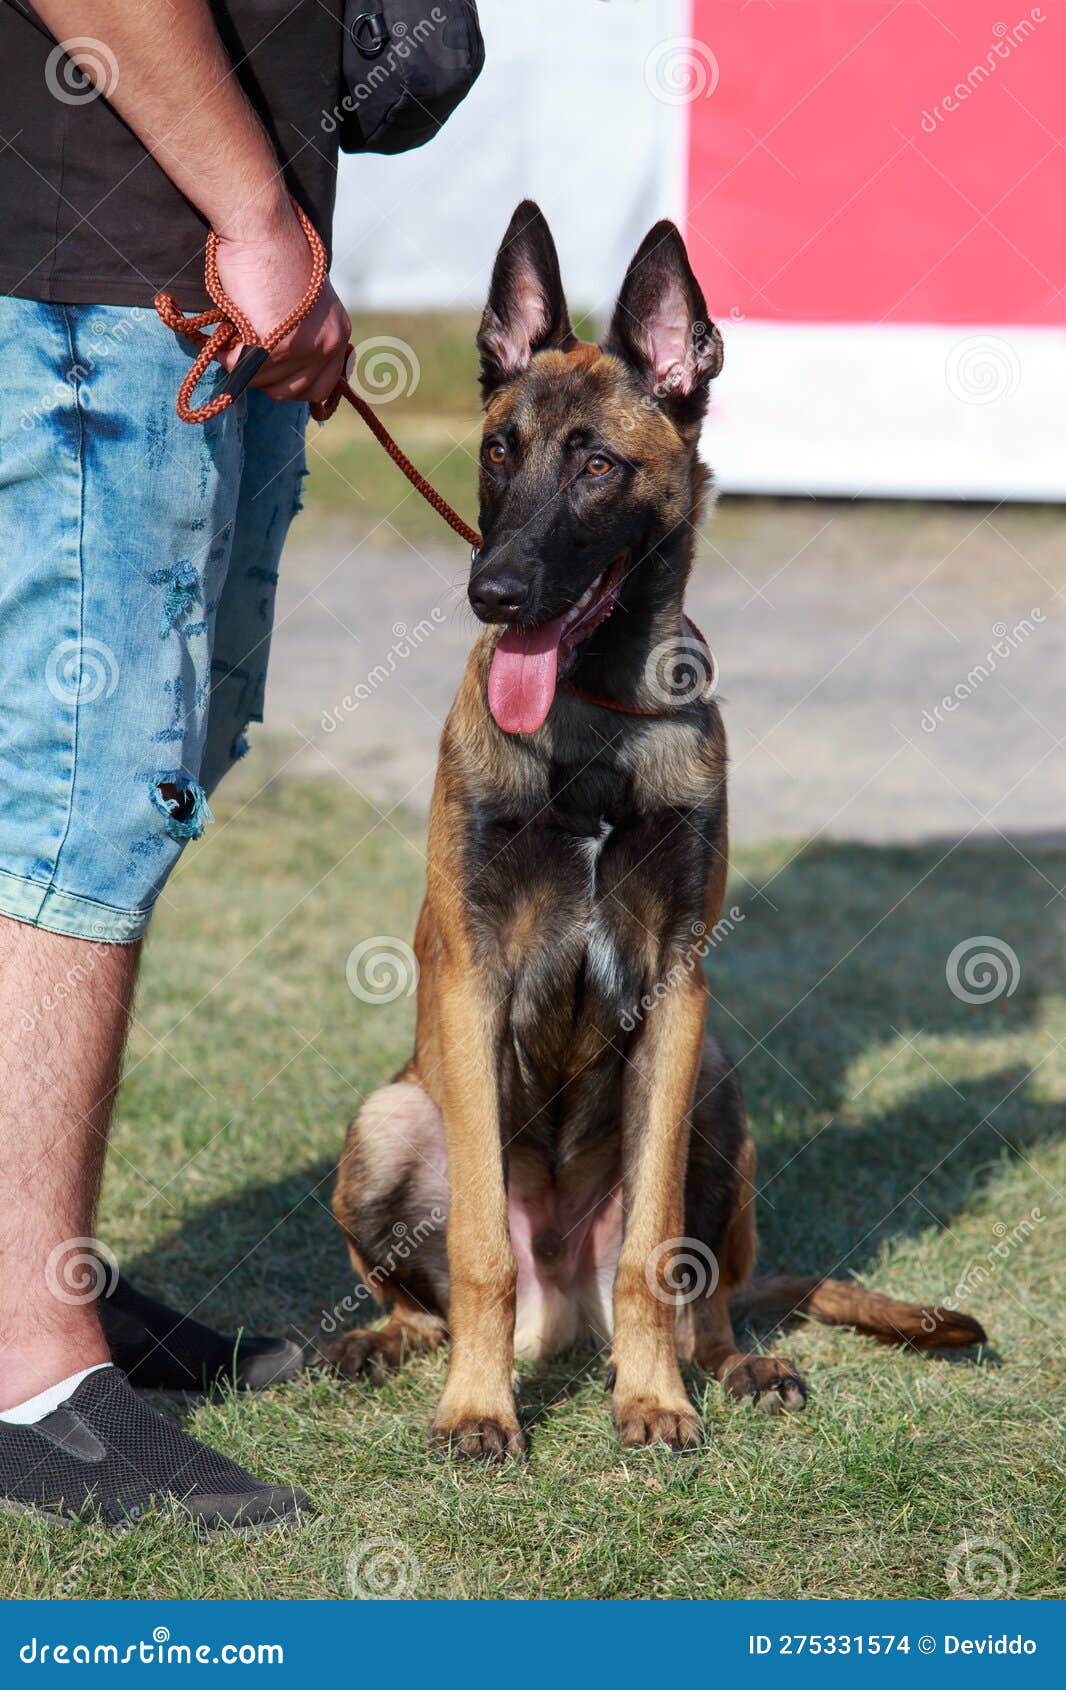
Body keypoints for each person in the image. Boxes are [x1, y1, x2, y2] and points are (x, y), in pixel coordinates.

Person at [0, 0, 351, 1531]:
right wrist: (257, 215)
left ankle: (32, 1265)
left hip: (181, 262)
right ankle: (25, 1369)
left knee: (134, 772)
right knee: (77, 801)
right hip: (112, 267)